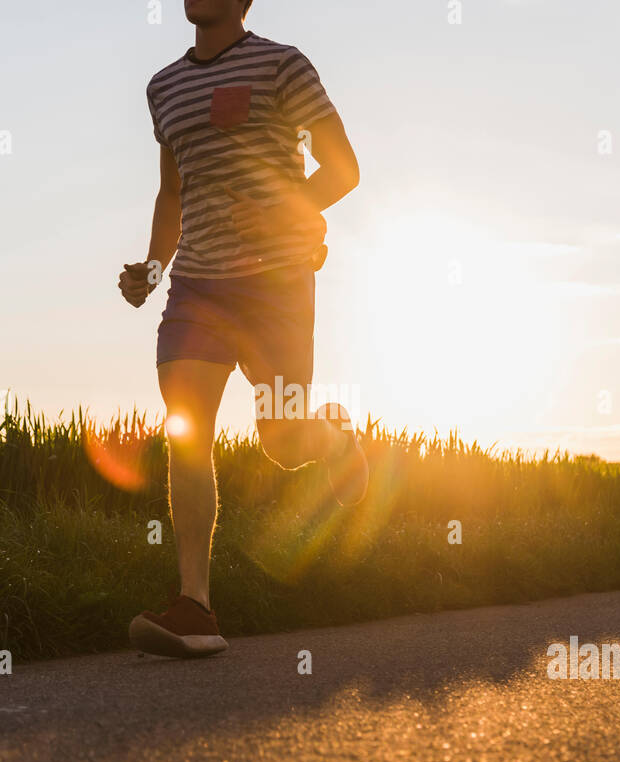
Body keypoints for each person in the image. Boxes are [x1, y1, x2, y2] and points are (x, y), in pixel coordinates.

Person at [118, 0, 367, 659]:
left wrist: (286, 211)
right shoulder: (164, 87)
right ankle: (195, 606)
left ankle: (333, 440)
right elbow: (174, 194)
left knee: (282, 442)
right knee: (186, 427)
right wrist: (150, 265)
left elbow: (343, 167)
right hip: (198, 287)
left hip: (276, 283)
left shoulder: (284, 67)